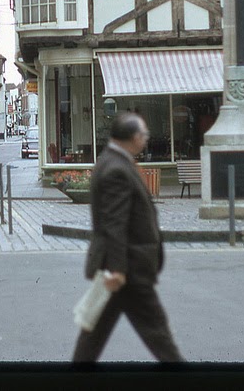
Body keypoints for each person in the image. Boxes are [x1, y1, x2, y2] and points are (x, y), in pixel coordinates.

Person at [72, 112, 184, 364]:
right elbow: (115, 223)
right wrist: (118, 269)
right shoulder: (116, 169)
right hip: (129, 269)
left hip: (122, 268)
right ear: (134, 138)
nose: (146, 139)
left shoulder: (112, 161)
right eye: (144, 135)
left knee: (93, 335)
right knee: (158, 335)